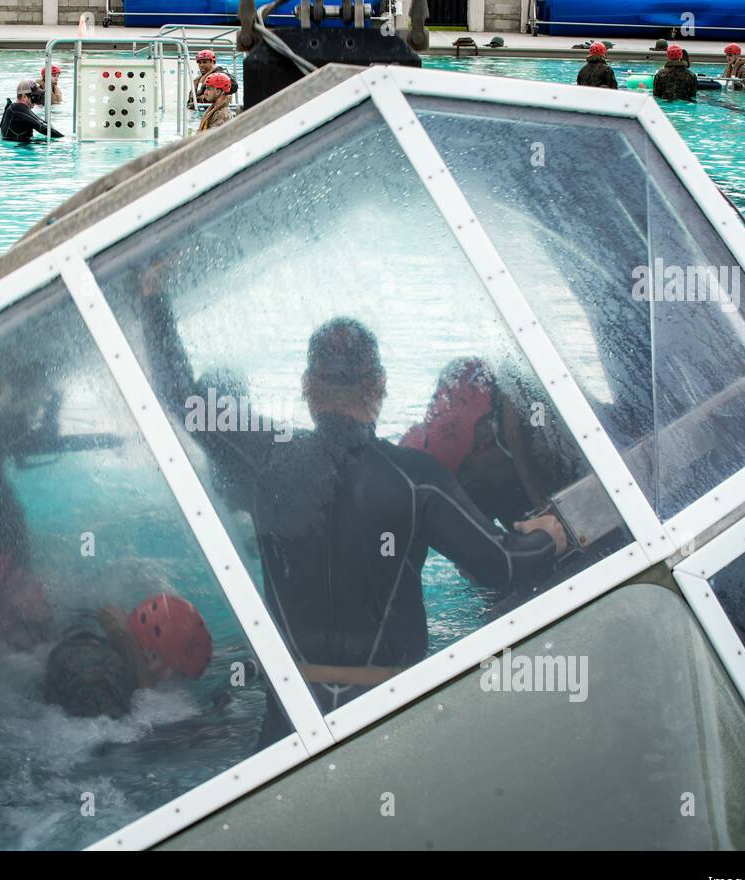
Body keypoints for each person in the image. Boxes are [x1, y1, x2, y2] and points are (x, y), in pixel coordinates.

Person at [136, 305, 566, 741]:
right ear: (379, 386)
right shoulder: (415, 478)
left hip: (292, 719)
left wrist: (152, 296)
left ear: (307, 387)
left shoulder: (264, 458)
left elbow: (180, 396)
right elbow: (504, 567)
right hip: (390, 715)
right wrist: (551, 535)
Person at [43, 594, 213, 718]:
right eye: (179, 676)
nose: (176, 684)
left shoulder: (96, 648)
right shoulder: (103, 685)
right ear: (160, 665)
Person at [0, 80, 64, 144]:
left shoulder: (16, 108)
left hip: (19, 145)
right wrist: (65, 138)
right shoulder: (18, 109)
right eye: (34, 97)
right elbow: (42, 127)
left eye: (38, 97)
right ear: (24, 96)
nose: (36, 101)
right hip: (20, 149)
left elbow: (42, 123)